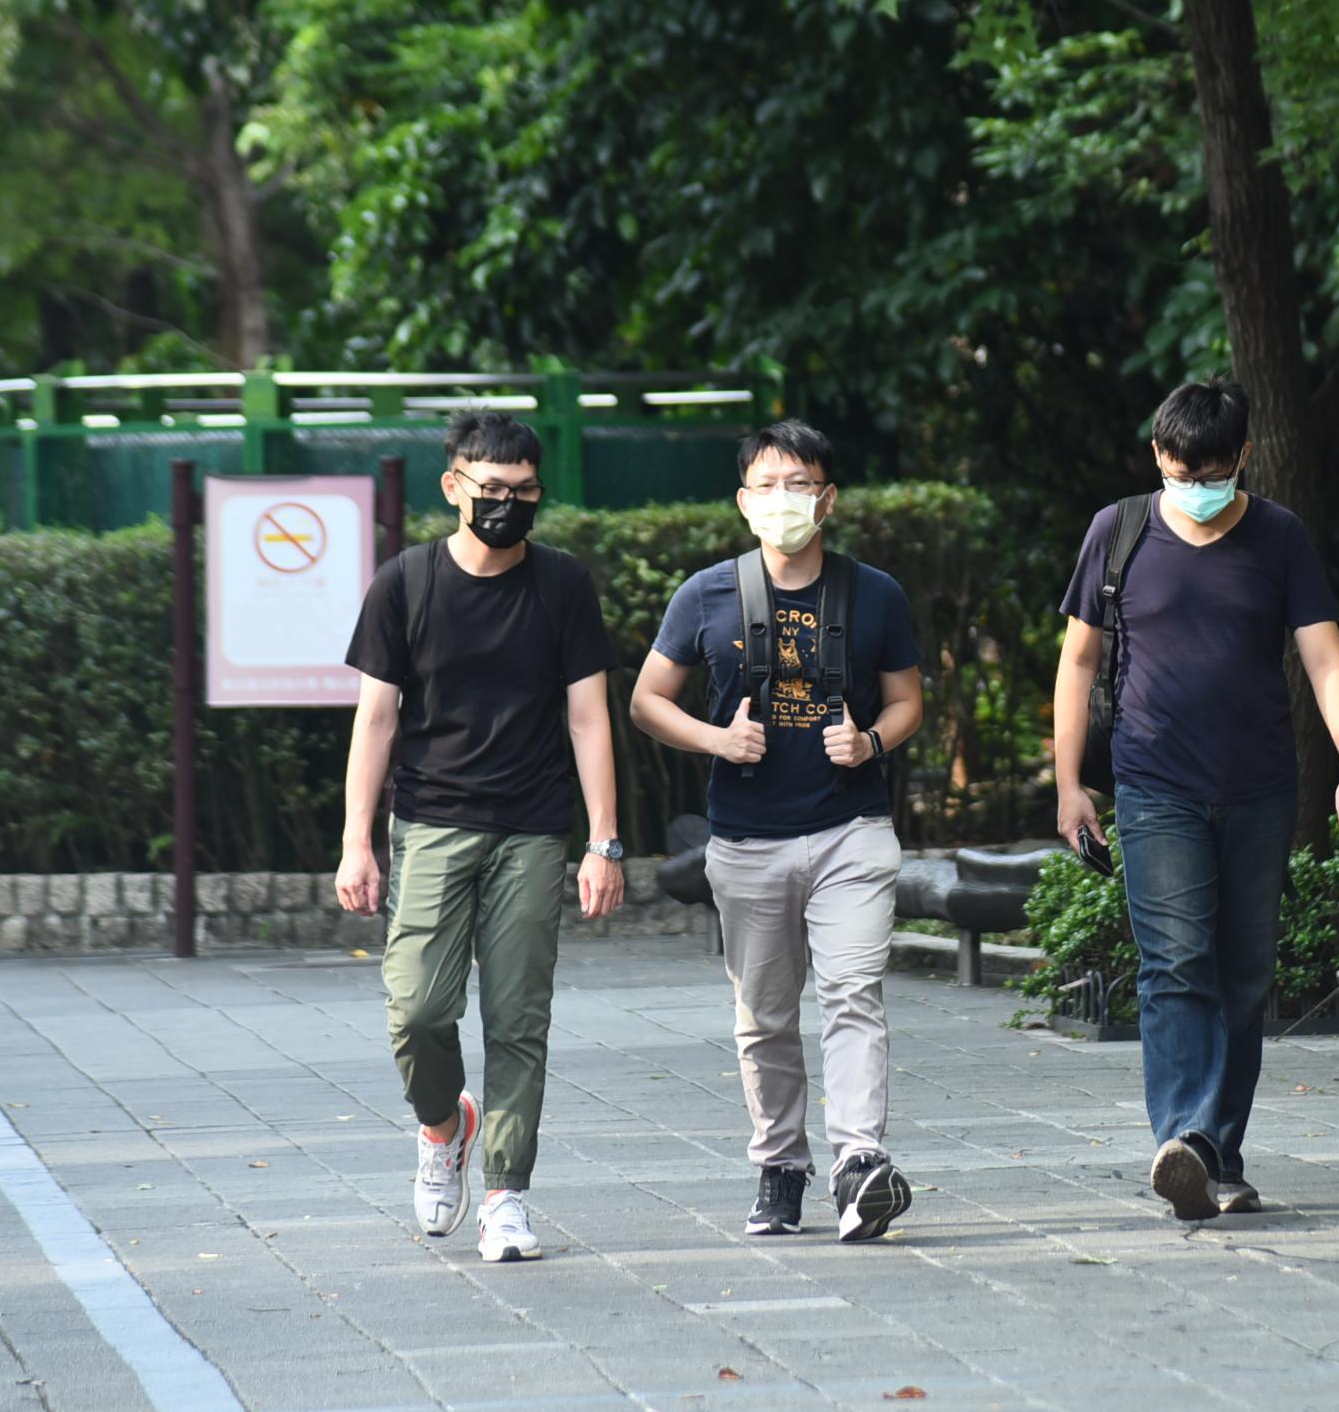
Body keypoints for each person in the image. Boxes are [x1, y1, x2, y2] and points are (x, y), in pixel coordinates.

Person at [1053, 379, 1339, 1221]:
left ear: (1242, 456)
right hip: (1154, 784)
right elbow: (1078, 661)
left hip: (1259, 788)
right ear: (1156, 455)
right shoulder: (1118, 531)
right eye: (1178, 468)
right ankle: (1186, 1137)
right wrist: (1068, 783)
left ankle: (1215, 1157)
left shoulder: (1278, 536)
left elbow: (1324, 658)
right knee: (1175, 962)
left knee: (1242, 975)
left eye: (1210, 470)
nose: (1194, 484)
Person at [335, 412, 624, 1263]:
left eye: (523, 490)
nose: (507, 503)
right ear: (453, 485)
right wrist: (357, 839)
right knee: (418, 1008)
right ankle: (442, 1125)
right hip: (431, 820)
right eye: (491, 487)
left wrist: (603, 841)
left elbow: (588, 718)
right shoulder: (405, 582)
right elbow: (376, 718)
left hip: (532, 828)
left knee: (517, 1017)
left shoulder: (562, 584)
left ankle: (505, 1193)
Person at [630, 420, 923, 1242]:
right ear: (742, 500)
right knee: (763, 1016)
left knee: (853, 994)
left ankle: (859, 1162)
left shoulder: (876, 593)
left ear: (828, 499)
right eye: (767, 484)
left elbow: (907, 701)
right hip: (747, 837)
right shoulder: (705, 594)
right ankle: (780, 1165)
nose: (783, 499)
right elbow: (647, 700)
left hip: (851, 830)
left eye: (800, 484)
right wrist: (716, 739)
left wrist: (869, 742)